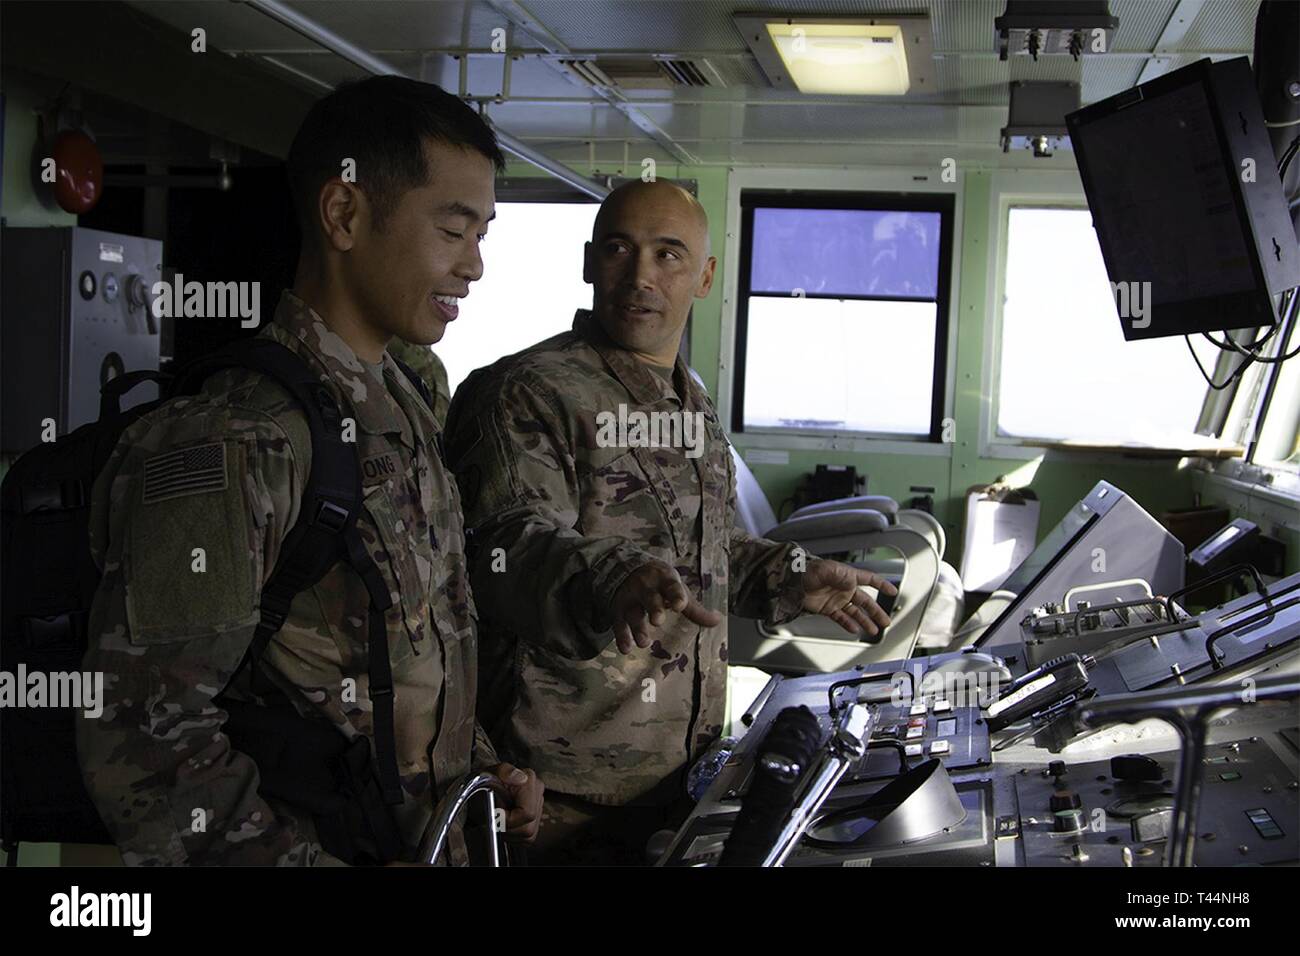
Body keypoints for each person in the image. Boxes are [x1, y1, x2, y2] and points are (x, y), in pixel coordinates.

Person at [77, 75, 542, 866]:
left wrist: (481, 764)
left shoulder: (408, 400)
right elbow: (142, 737)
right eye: (453, 230)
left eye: (482, 235)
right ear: (344, 214)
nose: (474, 267)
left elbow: (414, 646)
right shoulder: (239, 439)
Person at [444, 180, 895, 865]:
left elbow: (699, 556)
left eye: (668, 255)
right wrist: (610, 576)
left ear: (705, 276)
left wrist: (792, 575)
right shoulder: (527, 391)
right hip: (559, 793)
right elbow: (507, 550)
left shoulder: (691, 400)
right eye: (620, 250)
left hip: (679, 769)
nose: (640, 277)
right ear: (590, 262)